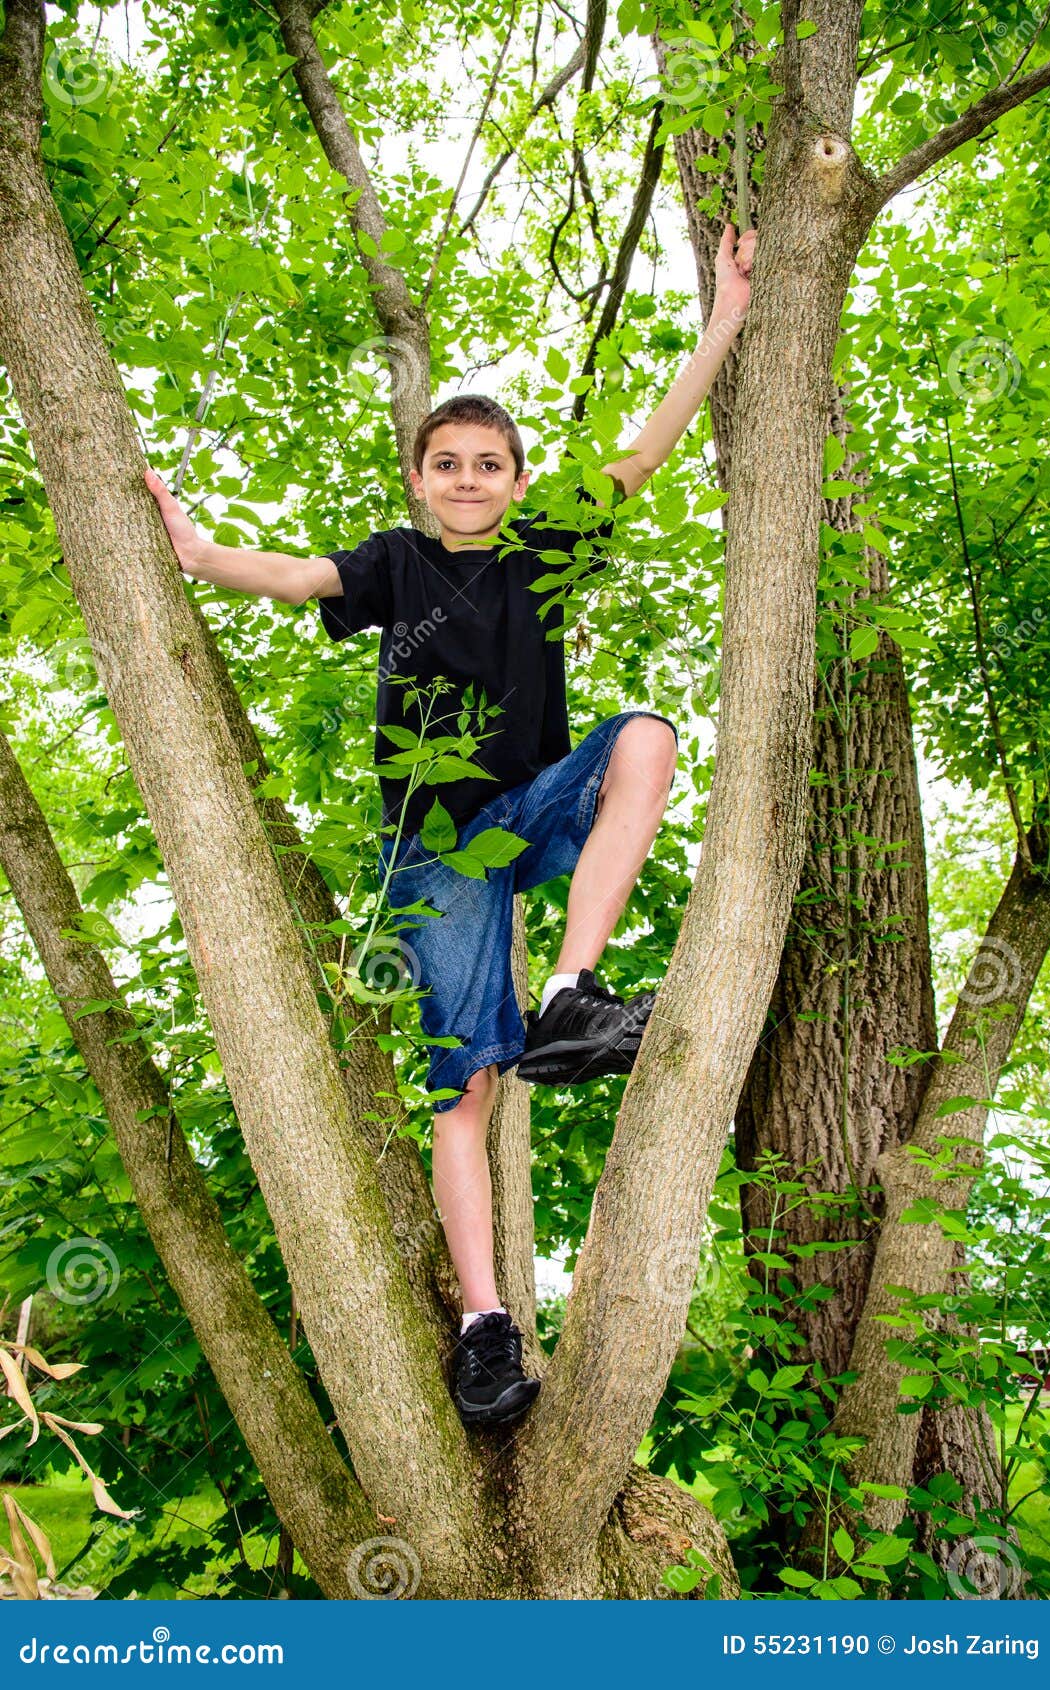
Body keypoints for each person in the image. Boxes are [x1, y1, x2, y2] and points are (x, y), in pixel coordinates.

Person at [145, 221, 756, 1430]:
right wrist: (191, 543)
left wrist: (725, 323)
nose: (471, 480)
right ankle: (486, 1330)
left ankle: (575, 989)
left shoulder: (544, 549)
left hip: (530, 810)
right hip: (437, 849)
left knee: (644, 737)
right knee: (466, 1088)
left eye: (491, 463)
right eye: (450, 464)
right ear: (419, 482)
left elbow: (647, 449)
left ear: (520, 482)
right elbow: (282, 576)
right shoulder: (393, 568)